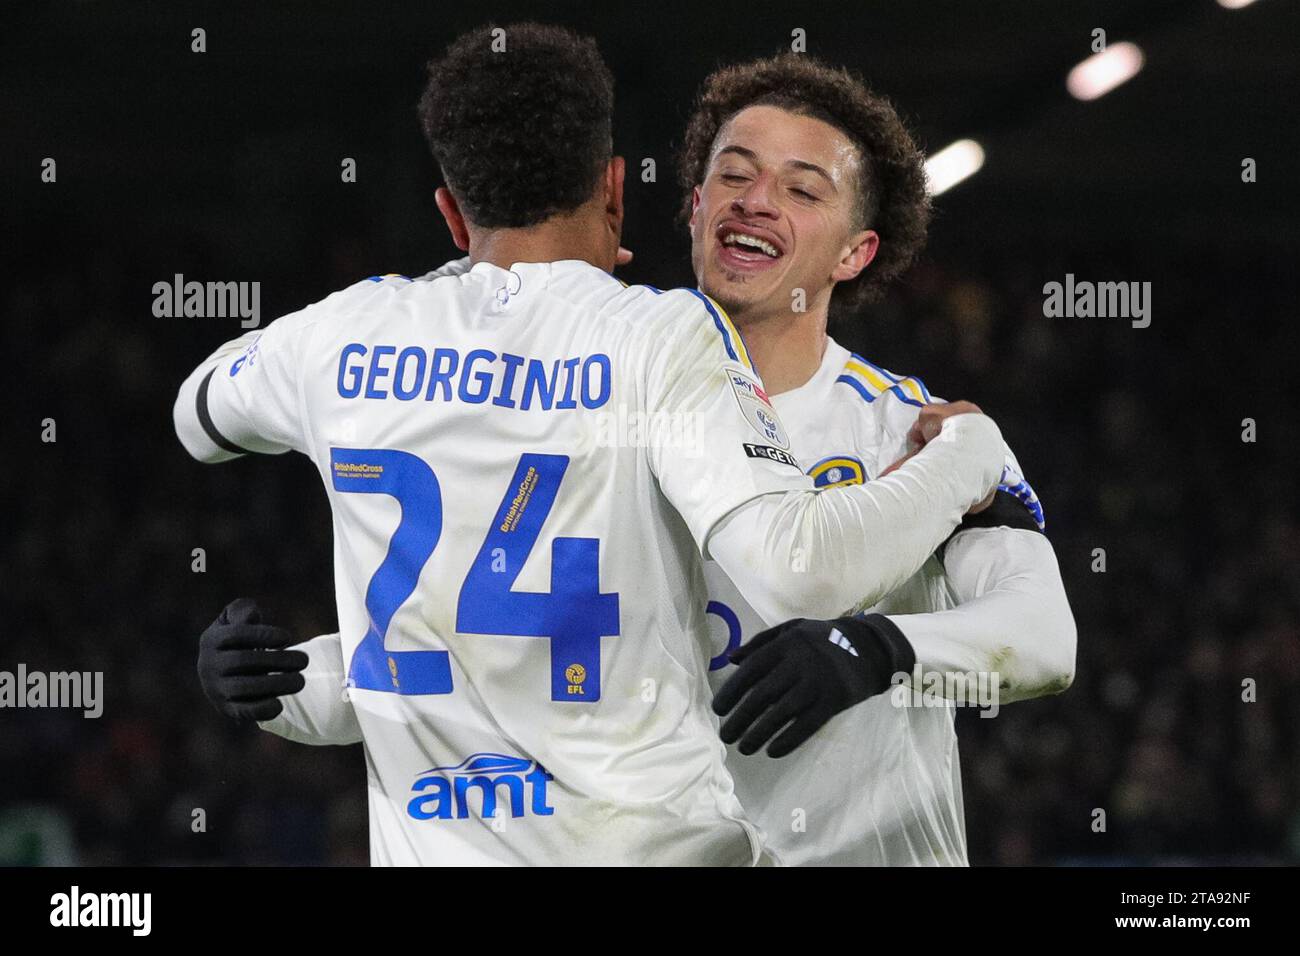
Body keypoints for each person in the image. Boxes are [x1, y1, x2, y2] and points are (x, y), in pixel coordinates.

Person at [176, 25, 1004, 866]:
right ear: (616, 188)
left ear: (451, 214)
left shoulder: (341, 336)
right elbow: (805, 567)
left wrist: (284, 685)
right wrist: (966, 455)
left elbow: (198, 415)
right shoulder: (662, 333)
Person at [684, 54, 1076, 865]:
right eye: (734, 176)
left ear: (856, 254)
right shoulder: (601, 411)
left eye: (801, 190)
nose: (755, 201)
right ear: (694, 208)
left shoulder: (924, 434)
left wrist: (880, 650)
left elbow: (1044, 639)